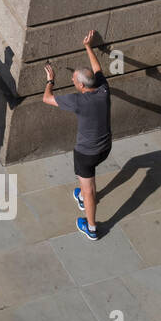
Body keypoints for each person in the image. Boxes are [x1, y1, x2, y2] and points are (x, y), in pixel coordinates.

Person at [43, 29, 111, 241]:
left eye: (73, 79)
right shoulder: (104, 89)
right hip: (105, 148)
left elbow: (47, 99)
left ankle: (91, 227)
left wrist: (50, 81)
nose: (72, 81)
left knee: (90, 189)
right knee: (86, 182)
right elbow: (97, 69)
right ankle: (81, 195)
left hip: (86, 153)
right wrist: (88, 46)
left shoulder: (77, 100)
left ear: (81, 85)